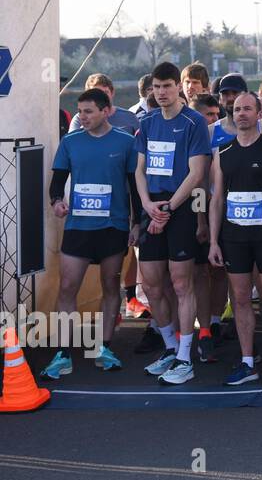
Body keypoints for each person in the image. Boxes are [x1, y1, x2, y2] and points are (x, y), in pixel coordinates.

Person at [42, 88, 139, 379]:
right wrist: (57, 202)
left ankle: (105, 347)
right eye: (80, 111)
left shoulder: (125, 142)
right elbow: (57, 182)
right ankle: (63, 353)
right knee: (67, 287)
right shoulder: (70, 142)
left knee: (111, 287)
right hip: (78, 228)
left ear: (106, 111)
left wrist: (136, 223)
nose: (82, 117)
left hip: (113, 226)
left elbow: (135, 187)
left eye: (88, 112)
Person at [132, 63, 212, 386]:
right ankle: (169, 347)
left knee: (181, 283)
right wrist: (149, 206)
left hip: (180, 206)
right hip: (153, 205)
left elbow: (197, 174)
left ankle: (185, 356)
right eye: (156, 87)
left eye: (167, 86)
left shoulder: (194, 122)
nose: (161, 92)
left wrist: (168, 208)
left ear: (178, 87)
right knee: (152, 284)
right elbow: (138, 170)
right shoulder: (147, 122)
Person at [207, 91, 262, 386]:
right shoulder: (223, 152)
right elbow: (217, 200)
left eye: (247, 109)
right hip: (234, 238)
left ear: (259, 114)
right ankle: (246, 361)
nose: (241, 113)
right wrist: (214, 242)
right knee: (241, 298)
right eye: (237, 109)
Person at [67, 74, 140, 134]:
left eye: (105, 92)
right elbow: (72, 146)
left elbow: (141, 147)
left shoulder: (130, 118)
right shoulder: (79, 120)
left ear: (112, 93)